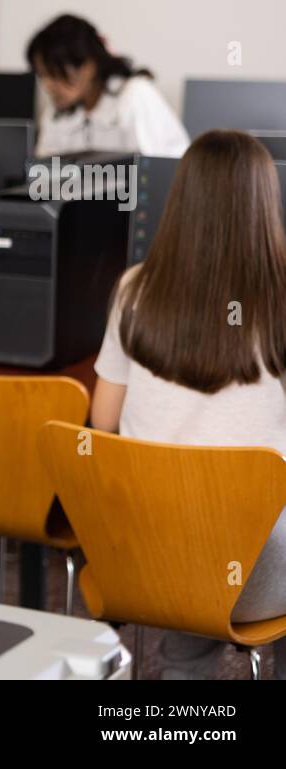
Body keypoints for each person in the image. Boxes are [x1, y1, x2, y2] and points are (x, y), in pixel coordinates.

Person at [91, 130, 286, 679]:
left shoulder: (134, 290)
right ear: (265, 203)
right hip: (255, 577)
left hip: (152, 558)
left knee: (188, 569)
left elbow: (102, 423)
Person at [27, 14, 188, 158]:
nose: (47, 85)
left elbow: (153, 174)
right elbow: (42, 176)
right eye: (42, 75)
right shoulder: (55, 113)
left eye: (54, 74)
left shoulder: (135, 96)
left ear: (89, 66)